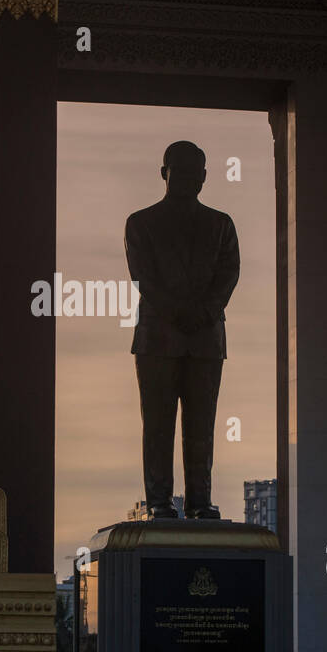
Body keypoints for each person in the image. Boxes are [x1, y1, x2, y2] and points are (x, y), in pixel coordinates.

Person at [124, 141, 240, 521]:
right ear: (164, 173)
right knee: (157, 425)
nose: (189, 179)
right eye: (181, 171)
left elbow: (228, 274)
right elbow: (144, 277)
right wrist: (182, 313)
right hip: (159, 338)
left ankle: (199, 502)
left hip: (204, 339)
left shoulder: (221, 224)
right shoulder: (140, 223)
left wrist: (202, 312)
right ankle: (158, 501)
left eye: (196, 172)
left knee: (201, 427)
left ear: (205, 177)